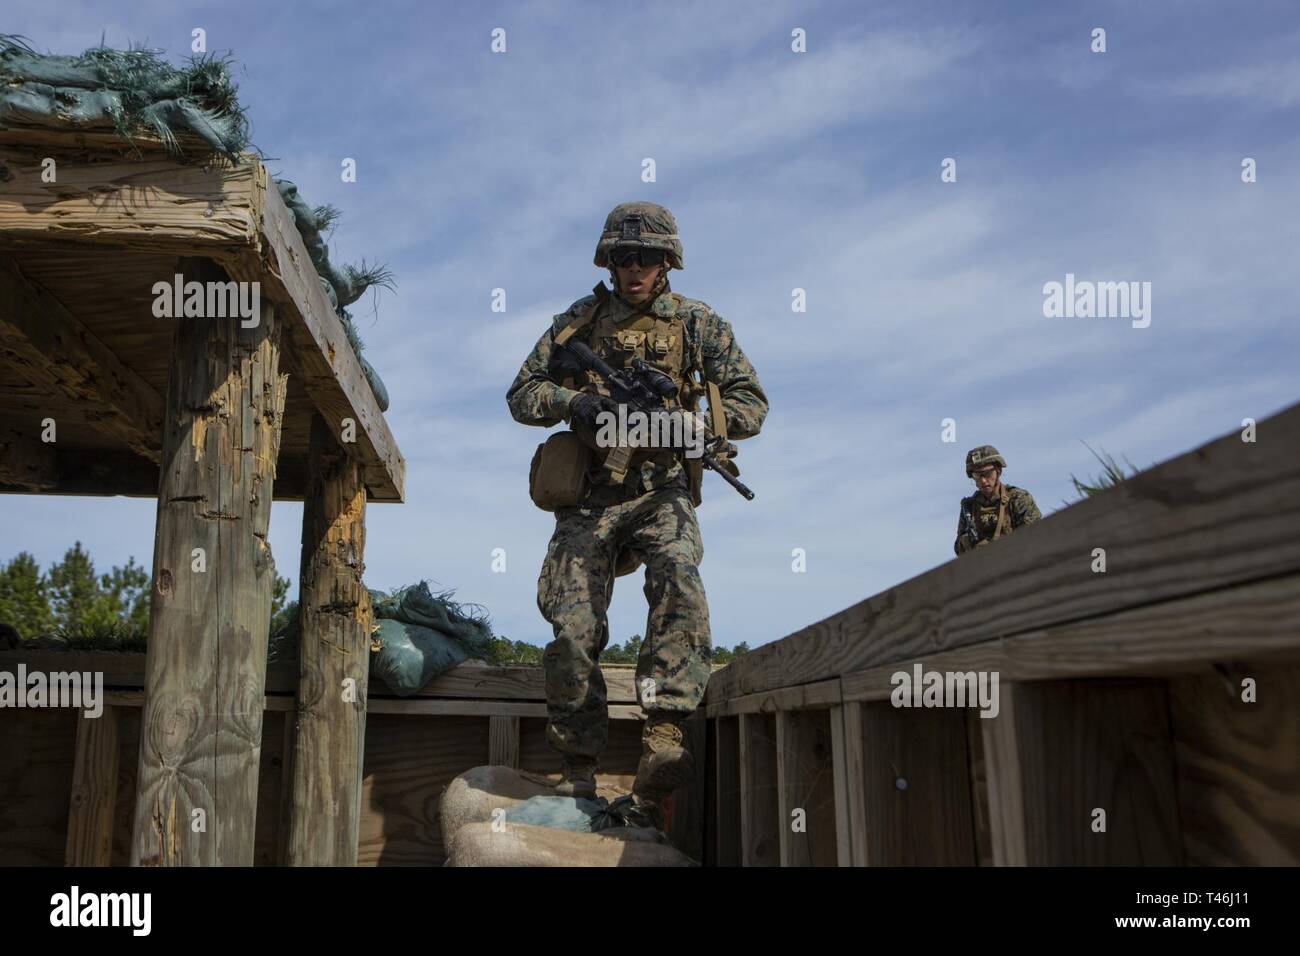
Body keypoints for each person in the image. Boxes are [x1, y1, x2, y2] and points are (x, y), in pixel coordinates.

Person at [506, 201, 768, 811]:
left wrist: (693, 423)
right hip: (590, 497)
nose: (634, 269)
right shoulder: (578, 322)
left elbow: (751, 404)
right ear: (609, 260)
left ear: (667, 263)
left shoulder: (699, 325)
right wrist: (574, 405)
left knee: (679, 578)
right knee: (572, 626)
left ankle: (665, 733)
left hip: (661, 491)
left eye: (647, 258)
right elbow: (522, 392)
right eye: (624, 258)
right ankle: (575, 767)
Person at [954, 445, 1041, 554]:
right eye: (977, 475)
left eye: (987, 473)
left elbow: (1035, 535)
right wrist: (964, 543)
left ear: (998, 470)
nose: (983, 481)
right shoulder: (969, 507)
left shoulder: (1018, 498)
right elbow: (958, 549)